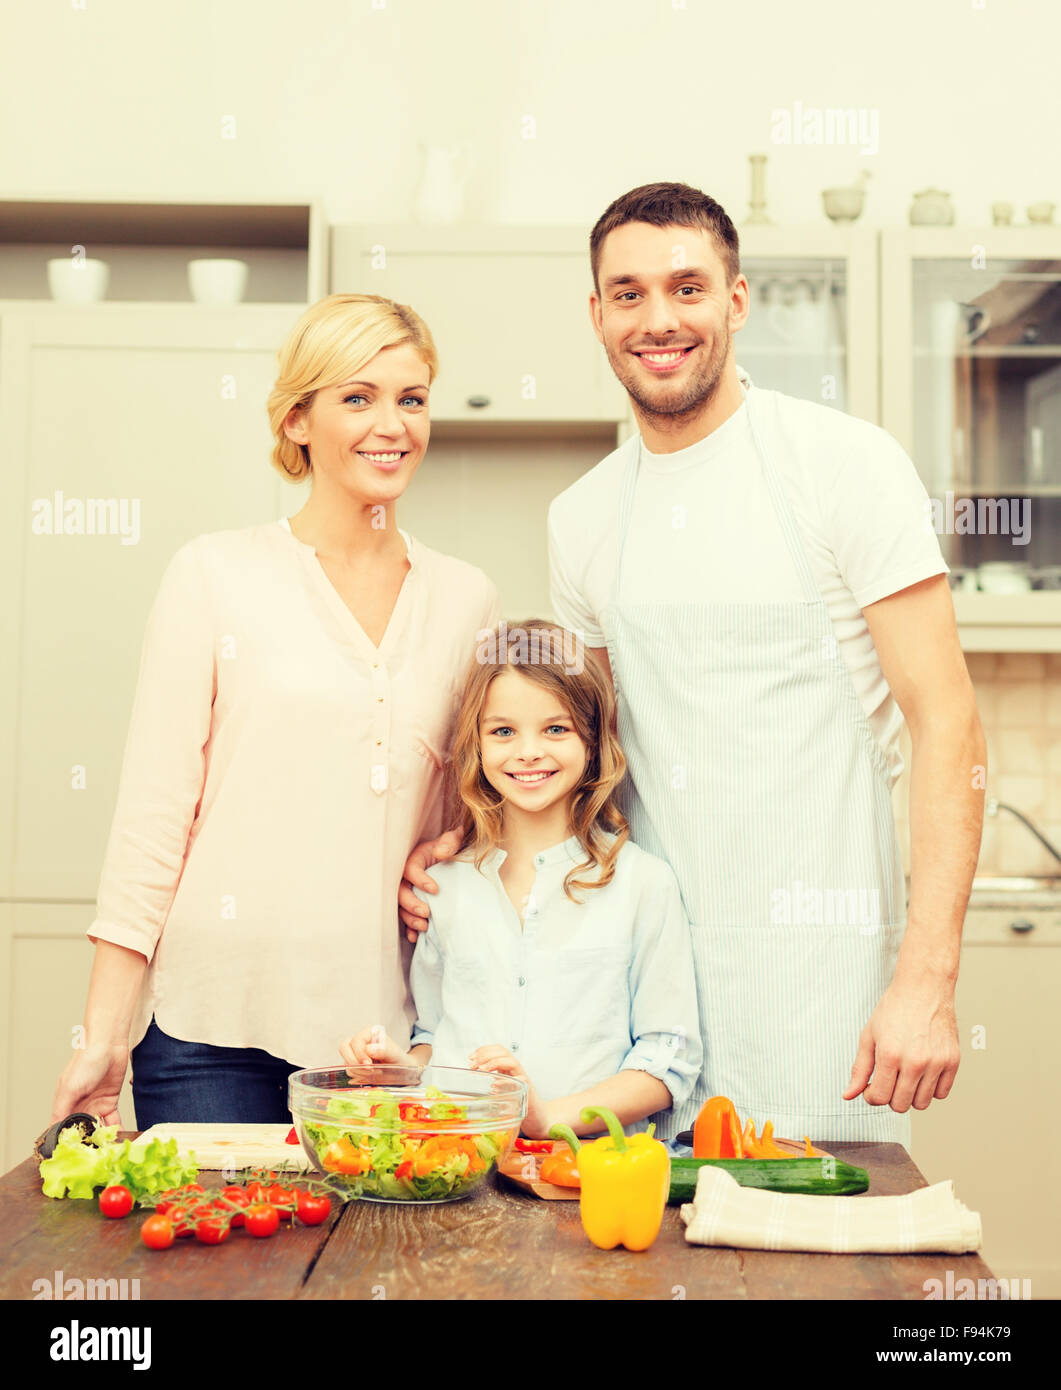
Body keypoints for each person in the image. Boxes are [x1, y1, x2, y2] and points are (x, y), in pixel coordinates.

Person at [400, 183, 985, 1149]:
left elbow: (947, 724)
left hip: (820, 987)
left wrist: (925, 980)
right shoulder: (582, 515)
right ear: (596, 316)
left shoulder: (843, 465)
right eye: (626, 294)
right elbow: (588, 751)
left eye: (686, 287)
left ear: (737, 300)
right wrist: (468, 849)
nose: (658, 319)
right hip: (629, 1005)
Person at [51, 293, 500, 1128]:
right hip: (208, 1032)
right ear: (297, 419)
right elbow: (154, 818)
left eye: (411, 399)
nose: (390, 424)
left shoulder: (466, 599)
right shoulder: (214, 575)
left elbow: (473, 806)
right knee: (214, 1261)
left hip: (385, 1043)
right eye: (356, 398)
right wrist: (105, 1032)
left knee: (373, 1265)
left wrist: (451, 852)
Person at [342, 619, 702, 1139]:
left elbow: (668, 1059)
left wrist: (544, 1119)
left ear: (593, 740)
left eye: (555, 729)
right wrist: (401, 1071)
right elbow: (436, 1033)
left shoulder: (642, 884)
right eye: (504, 731)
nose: (528, 751)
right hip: (460, 1166)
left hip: (586, 1176)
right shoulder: (442, 887)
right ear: (478, 742)